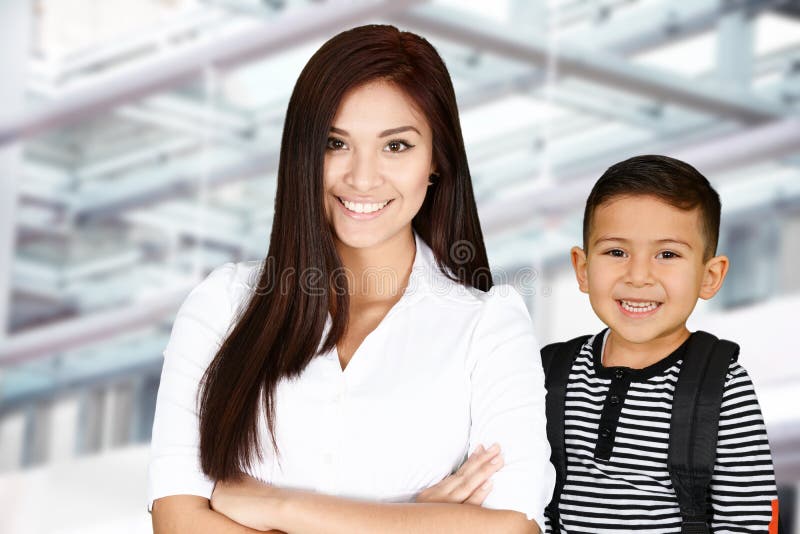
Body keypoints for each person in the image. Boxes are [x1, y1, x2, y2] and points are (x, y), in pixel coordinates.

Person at [148, 24, 555, 533]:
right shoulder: (223, 306)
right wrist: (415, 522)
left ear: (436, 162)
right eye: (335, 142)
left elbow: (513, 528)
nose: (362, 178)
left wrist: (283, 508)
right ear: (303, 154)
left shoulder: (489, 327)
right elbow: (177, 520)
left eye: (397, 146)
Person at [542, 155, 779, 533]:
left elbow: (748, 520)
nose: (638, 276)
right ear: (583, 269)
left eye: (667, 254)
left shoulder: (721, 387)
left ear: (710, 276)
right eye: (616, 252)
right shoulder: (552, 374)